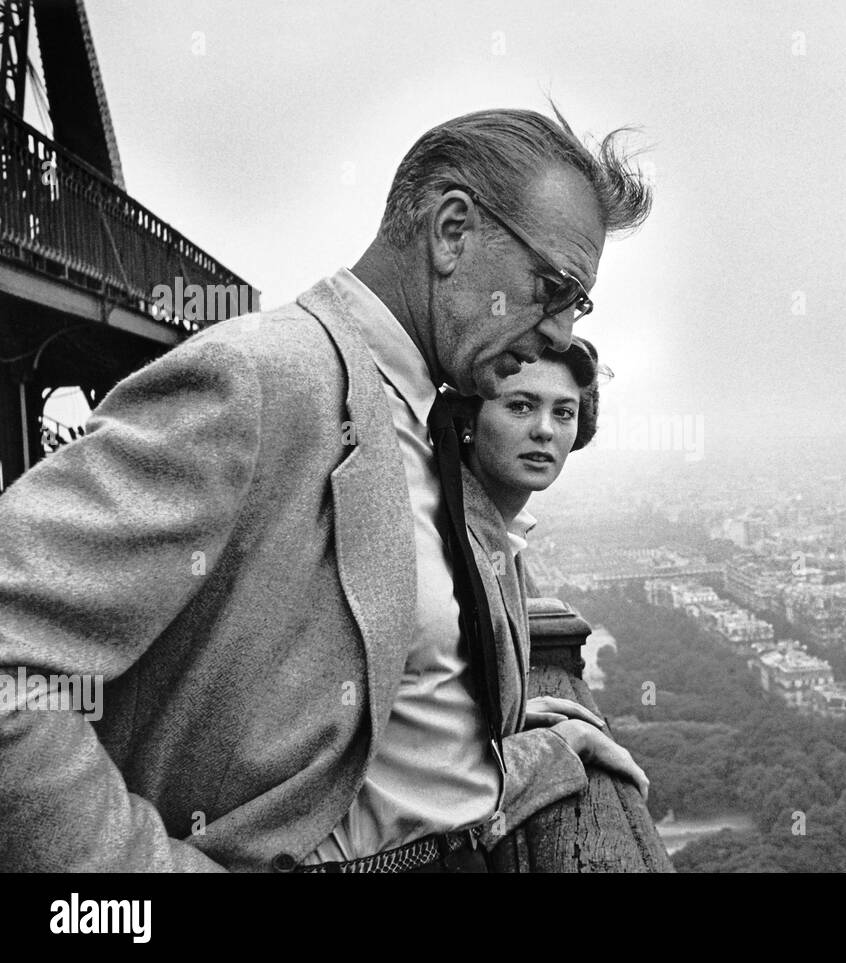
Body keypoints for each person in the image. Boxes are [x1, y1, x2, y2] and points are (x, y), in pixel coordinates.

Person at [0, 107, 652, 872]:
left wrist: (510, 744)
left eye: (580, 303)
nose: (565, 335)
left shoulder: (425, 412)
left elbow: (356, 695)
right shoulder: (263, 379)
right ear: (452, 232)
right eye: (554, 286)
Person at [446, 336, 648, 817]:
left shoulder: (485, 529)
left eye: (564, 412)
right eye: (520, 406)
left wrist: (500, 713)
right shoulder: (445, 541)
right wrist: (564, 743)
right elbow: (411, 773)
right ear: (469, 422)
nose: (544, 430)